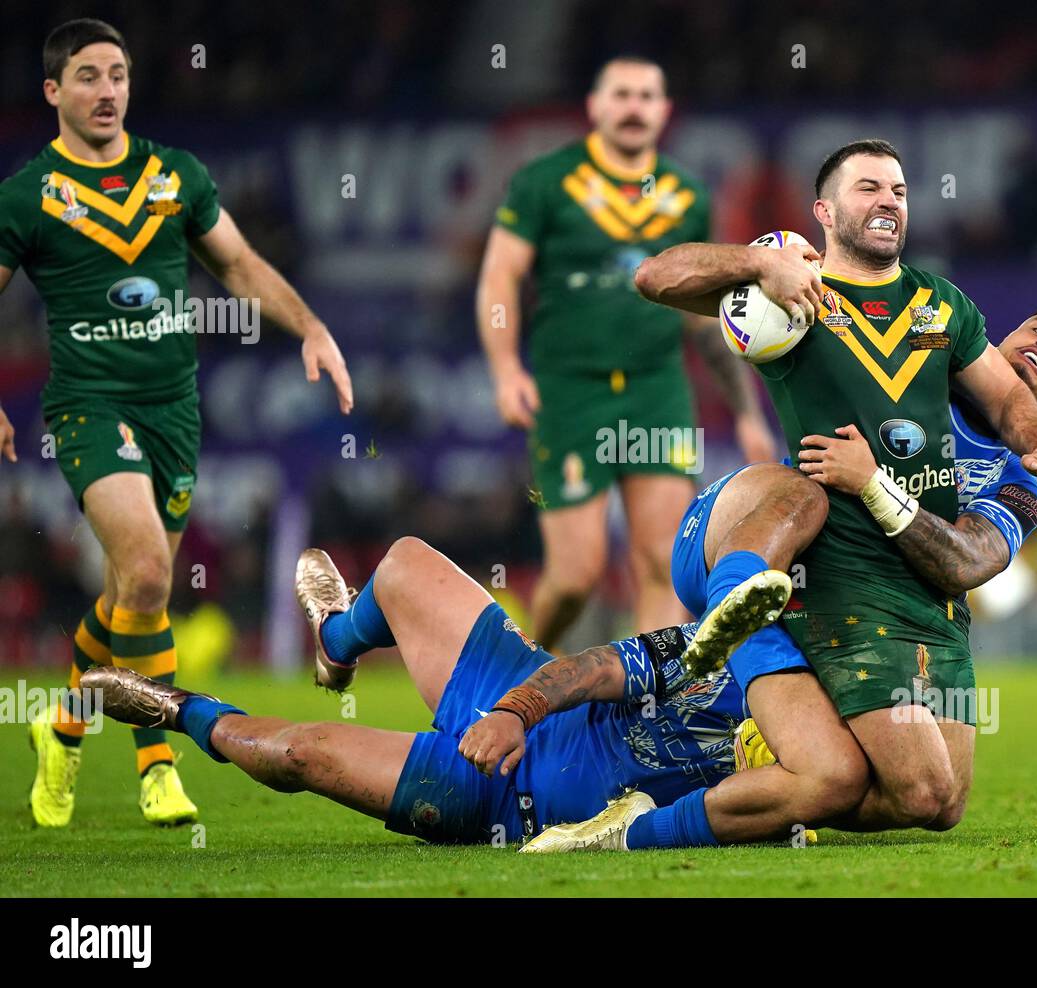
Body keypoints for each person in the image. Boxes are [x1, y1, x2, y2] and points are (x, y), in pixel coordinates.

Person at [523, 141, 1037, 850]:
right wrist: (757, 261)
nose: (889, 199)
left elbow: (1009, 414)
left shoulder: (944, 314)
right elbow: (655, 277)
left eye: (900, 190)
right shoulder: (798, 292)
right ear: (824, 210)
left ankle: (753, 778)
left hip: (930, 603)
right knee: (905, 784)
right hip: (841, 574)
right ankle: (671, 793)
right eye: (869, 188)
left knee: (937, 804)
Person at [0, 19, 353, 827]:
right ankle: (158, 762)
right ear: (54, 91)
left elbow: (237, 263)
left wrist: (310, 326)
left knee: (132, 591)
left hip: (174, 409)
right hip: (89, 407)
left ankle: (61, 726)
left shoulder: (174, 176)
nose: (107, 90)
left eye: (118, 74)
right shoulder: (27, 196)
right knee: (152, 576)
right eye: (87, 76)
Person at [82, 540, 759, 846]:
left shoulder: (815, 766)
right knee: (404, 563)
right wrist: (514, 708)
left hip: (499, 793)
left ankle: (174, 707)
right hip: (523, 693)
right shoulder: (749, 633)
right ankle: (335, 639)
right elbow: (601, 666)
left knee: (299, 754)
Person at [476, 55, 775, 650]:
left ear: (664, 112)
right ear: (595, 107)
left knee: (663, 561)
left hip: (657, 389)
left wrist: (745, 412)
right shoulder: (544, 182)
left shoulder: (686, 196)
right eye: (621, 94)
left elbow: (702, 317)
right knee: (577, 574)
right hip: (571, 391)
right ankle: (523, 664)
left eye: (647, 96)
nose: (634, 107)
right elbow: (500, 277)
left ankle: (647, 720)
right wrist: (507, 369)